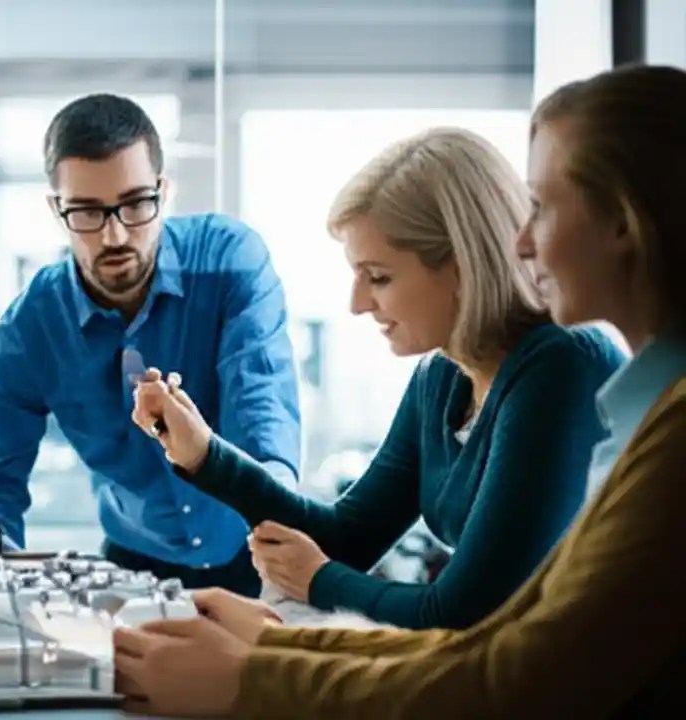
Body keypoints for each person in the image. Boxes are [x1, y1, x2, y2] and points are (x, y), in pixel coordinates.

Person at [113, 63, 686, 719]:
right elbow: (499, 639)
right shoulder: (451, 376)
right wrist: (205, 456)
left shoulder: (574, 376)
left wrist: (261, 671)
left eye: (543, 206)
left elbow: (502, 652)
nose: (522, 241)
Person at [130, 126, 625, 631]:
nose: (357, 303)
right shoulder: (442, 378)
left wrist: (321, 582)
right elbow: (346, 537)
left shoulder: (559, 368)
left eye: (379, 277)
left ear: (462, 267)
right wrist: (203, 454)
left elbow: (465, 611)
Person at [0, 93, 301, 596]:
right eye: (88, 212)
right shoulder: (29, 329)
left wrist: (281, 524)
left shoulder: (230, 262)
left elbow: (263, 418)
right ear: (56, 208)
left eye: (136, 204)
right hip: (133, 567)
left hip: (256, 545)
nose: (115, 236)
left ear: (163, 190)